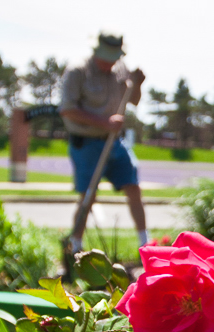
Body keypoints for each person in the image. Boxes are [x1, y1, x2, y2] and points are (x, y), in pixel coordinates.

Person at [59, 31, 148, 251]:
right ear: (96, 50)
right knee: (88, 196)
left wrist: (137, 84)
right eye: (106, 58)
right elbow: (67, 110)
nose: (110, 63)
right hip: (86, 143)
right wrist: (104, 122)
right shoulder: (78, 71)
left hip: (115, 141)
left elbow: (134, 100)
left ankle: (145, 244)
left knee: (133, 187)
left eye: (114, 58)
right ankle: (75, 246)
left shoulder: (121, 68)